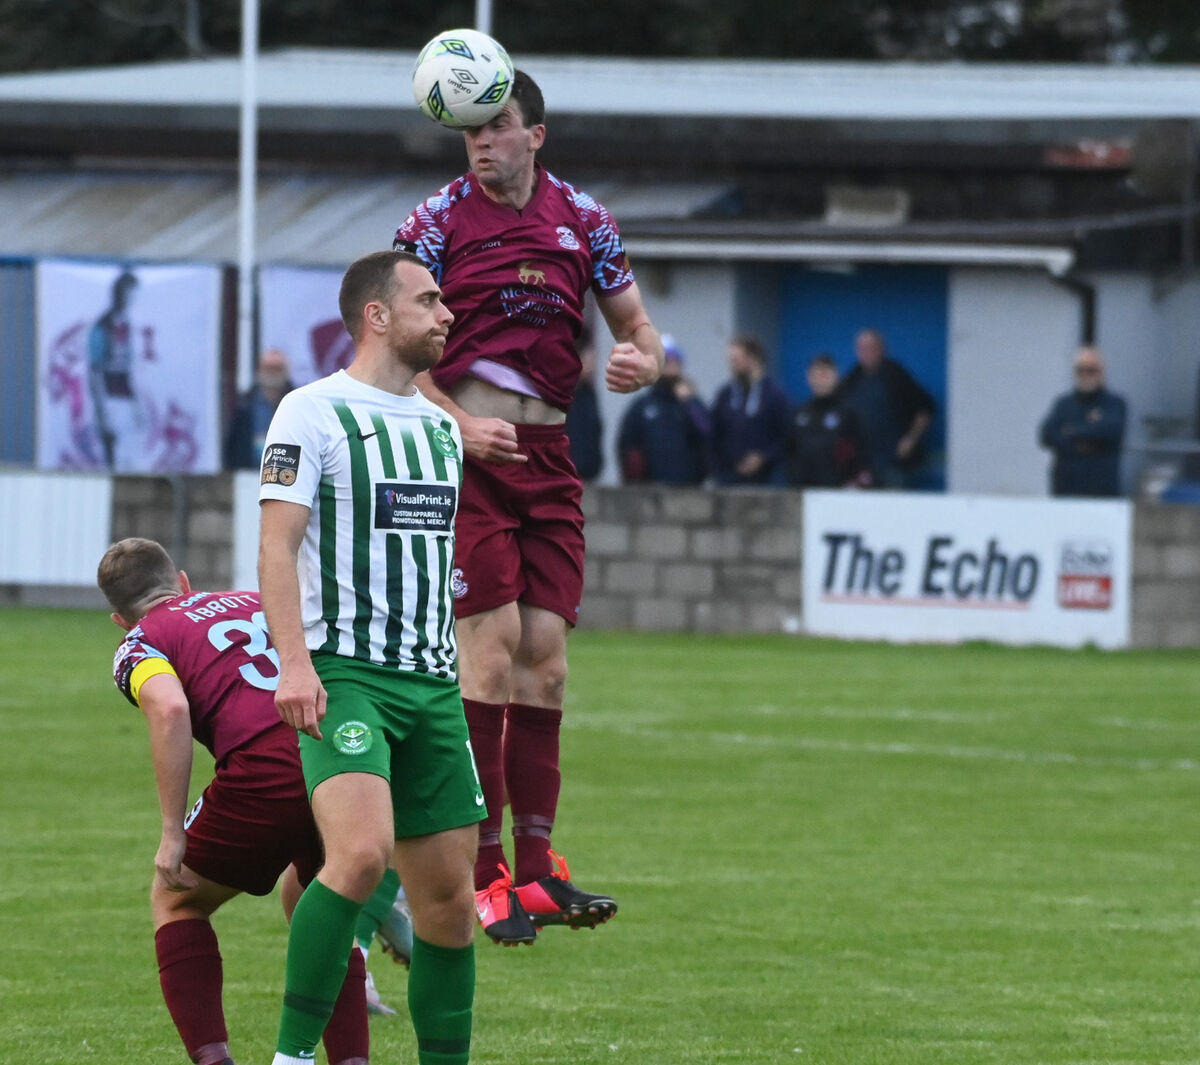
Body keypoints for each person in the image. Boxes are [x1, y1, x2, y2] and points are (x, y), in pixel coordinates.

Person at [392, 69, 662, 944]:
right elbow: (393, 356)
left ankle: (538, 870)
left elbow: (639, 329)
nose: (482, 139)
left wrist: (643, 361)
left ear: (535, 134)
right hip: (466, 458)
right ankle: (482, 875)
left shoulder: (584, 218)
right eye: (470, 128)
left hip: (548, 460)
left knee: (546, 664)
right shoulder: (433, 224)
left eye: (498, 123)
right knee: (490, 649)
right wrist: (461, 425)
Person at [257, 249, 485, 1065]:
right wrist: (295, 662)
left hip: (433, 684)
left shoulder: (441, 429)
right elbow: (276, 547)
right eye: (429, 300)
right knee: (357, 857)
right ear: (377, 316)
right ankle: (290, 1057)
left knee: (449, 906)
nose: (447, 313)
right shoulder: (310, 411)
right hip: (347, 673)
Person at [96, 536, 373, 1065]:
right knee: (319, 903)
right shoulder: (253, 599)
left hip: (265, 774)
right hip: (339, 756)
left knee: (176, 898)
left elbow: (170, 709)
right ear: (182, 581)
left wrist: (172, 832)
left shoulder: (142, 640)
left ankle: (215, 1059)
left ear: (119, 620)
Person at [836, 328, 935, 489]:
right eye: (862, 348)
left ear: (882, 349)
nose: (866, 353)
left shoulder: (896, 376)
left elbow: (926, 408)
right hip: (861, 463)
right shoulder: (852, 379)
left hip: (892, 460)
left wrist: (910, 439)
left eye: (871, 347)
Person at [617, 334, 710, 485]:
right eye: (667, 361)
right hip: (650, 488)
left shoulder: (692, 404)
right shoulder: (642, 407)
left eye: (675, 362)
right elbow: (627, 447)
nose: (672, 367)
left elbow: (707, 434)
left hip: (688, 488)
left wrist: (689, 404)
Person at [1038, 345, 1128, 497]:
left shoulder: (1114, 404)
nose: (1085, 375)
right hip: (1066, 489)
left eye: (1091, 370)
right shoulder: (1064, 404)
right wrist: (1085, 440)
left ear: (1101, 372)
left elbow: (1110, 431)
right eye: (1080, 370)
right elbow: (1047, 434)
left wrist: (1070, 431)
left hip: (1102, 492)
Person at [710, 334, 793, 486]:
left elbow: (787, 436)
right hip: (728, 477)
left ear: (753, 358)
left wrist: (764, 457)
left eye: (736, 360)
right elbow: (714, 432)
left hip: (766, 479)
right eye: (731, 360)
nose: (732, 365)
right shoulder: (726, 394)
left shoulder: (774, 394)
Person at [788, 353, 871, 488]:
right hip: (803, 488)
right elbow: (790, 450)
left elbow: (863, 450)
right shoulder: (800, 414)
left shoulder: (850, 412)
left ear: (836, 376)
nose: (820, 380)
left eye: (825, 375)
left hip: (838, 490)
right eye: (816, 375)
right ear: (809, 378)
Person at [88, 269, 145, 469]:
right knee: (115, 453)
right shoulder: (103, 326)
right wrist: (101, 407)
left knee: (133, 454)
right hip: (110, 397)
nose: (133, 299)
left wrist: (136, 403)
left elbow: (128, 370)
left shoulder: (127, 323)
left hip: (125, 395)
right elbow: (95, 369)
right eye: (130, 294)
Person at [224, 348, 295, 471]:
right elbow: (233, 447)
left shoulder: (298, 404)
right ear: (259, 370)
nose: (272, 373)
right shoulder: (245, 406)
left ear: (287, 371)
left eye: (277, 368)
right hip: (249, 475)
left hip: (289, 474)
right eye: (268, 368)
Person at [563, 326, 603, 482]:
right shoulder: (560, 394)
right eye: (590, 358)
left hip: (587, 478)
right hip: (563, 476)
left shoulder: (589, 395)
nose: (593, 365)